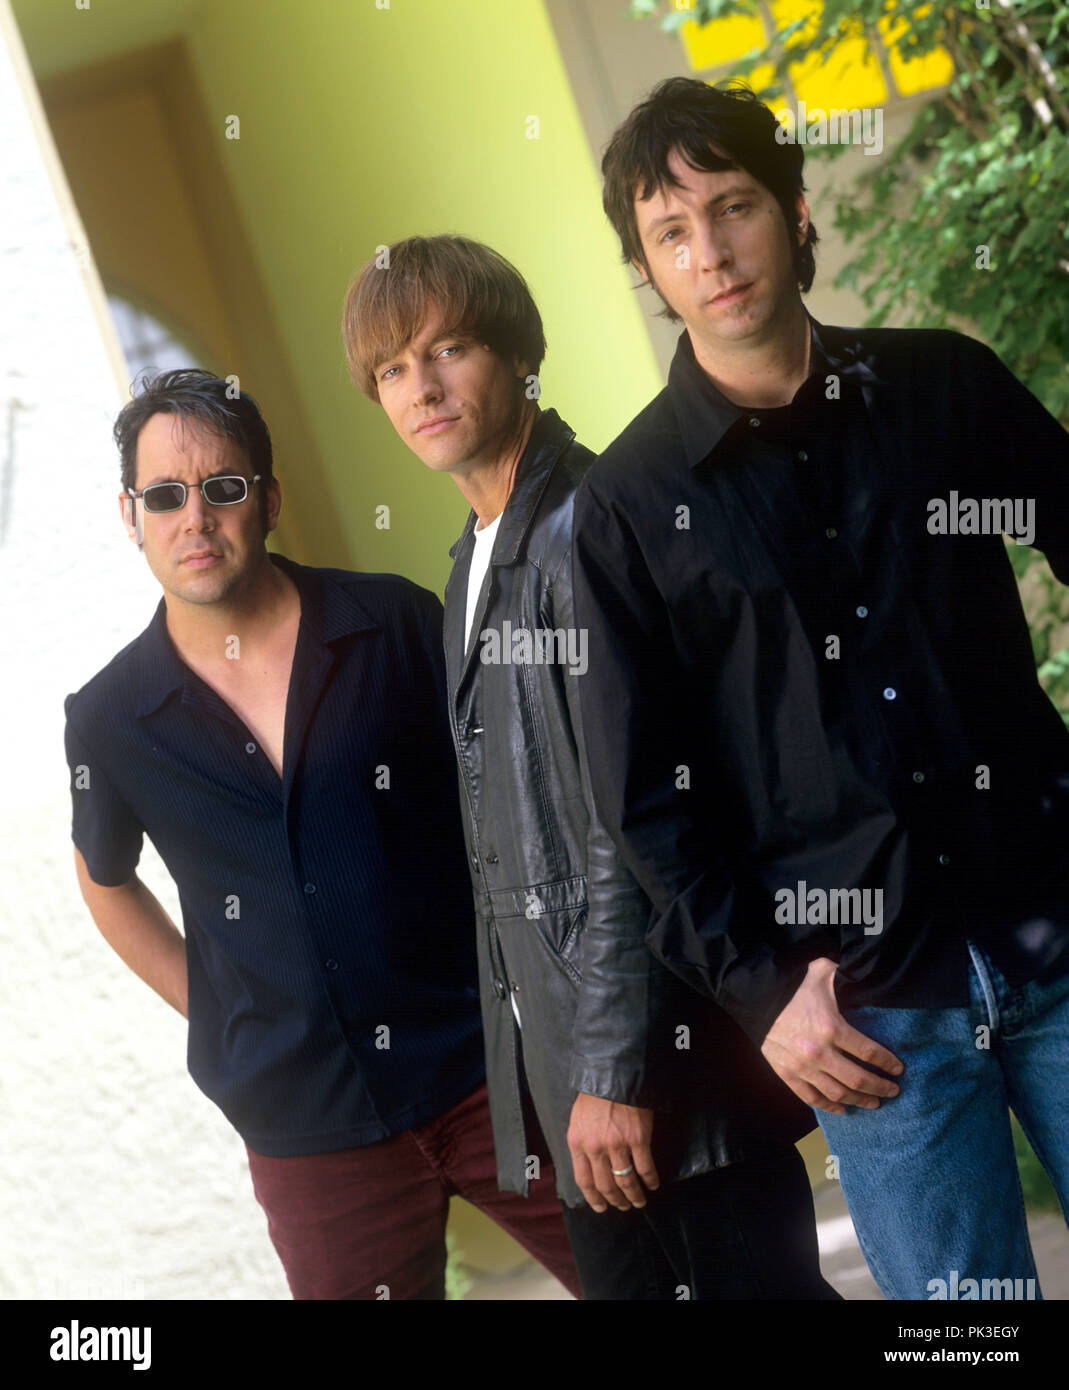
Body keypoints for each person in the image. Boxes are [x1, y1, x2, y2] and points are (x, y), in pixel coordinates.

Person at [571, 76, 1069, 1301]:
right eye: (670, 233)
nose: (710, 252)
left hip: (1056, 925)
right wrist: (759, 997)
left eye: (731, 206)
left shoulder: (946, 389)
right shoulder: (627, 510)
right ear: (647, 267)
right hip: (866, 1012)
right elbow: (643, 806)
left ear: (794, 209)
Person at [341, 234, 837, 1300]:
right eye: (391, 368)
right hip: (578, 1085)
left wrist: (614, 1070)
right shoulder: (469, 558)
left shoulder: (586, 528)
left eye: (450, 349)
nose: (420, 387)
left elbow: (636, 825)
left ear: (518, 354)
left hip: (660, 1076)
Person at [63, 368, 581, 1301]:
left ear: (266, 499)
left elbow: (502, 797)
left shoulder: (390, 621)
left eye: (223, 488)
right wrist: (216, 1006)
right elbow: (105, 880)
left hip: (486, 1064)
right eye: (165, 496)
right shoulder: (108, 717)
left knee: (653, 1274)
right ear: (129, 514)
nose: (196, 518)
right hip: (306, 1126)